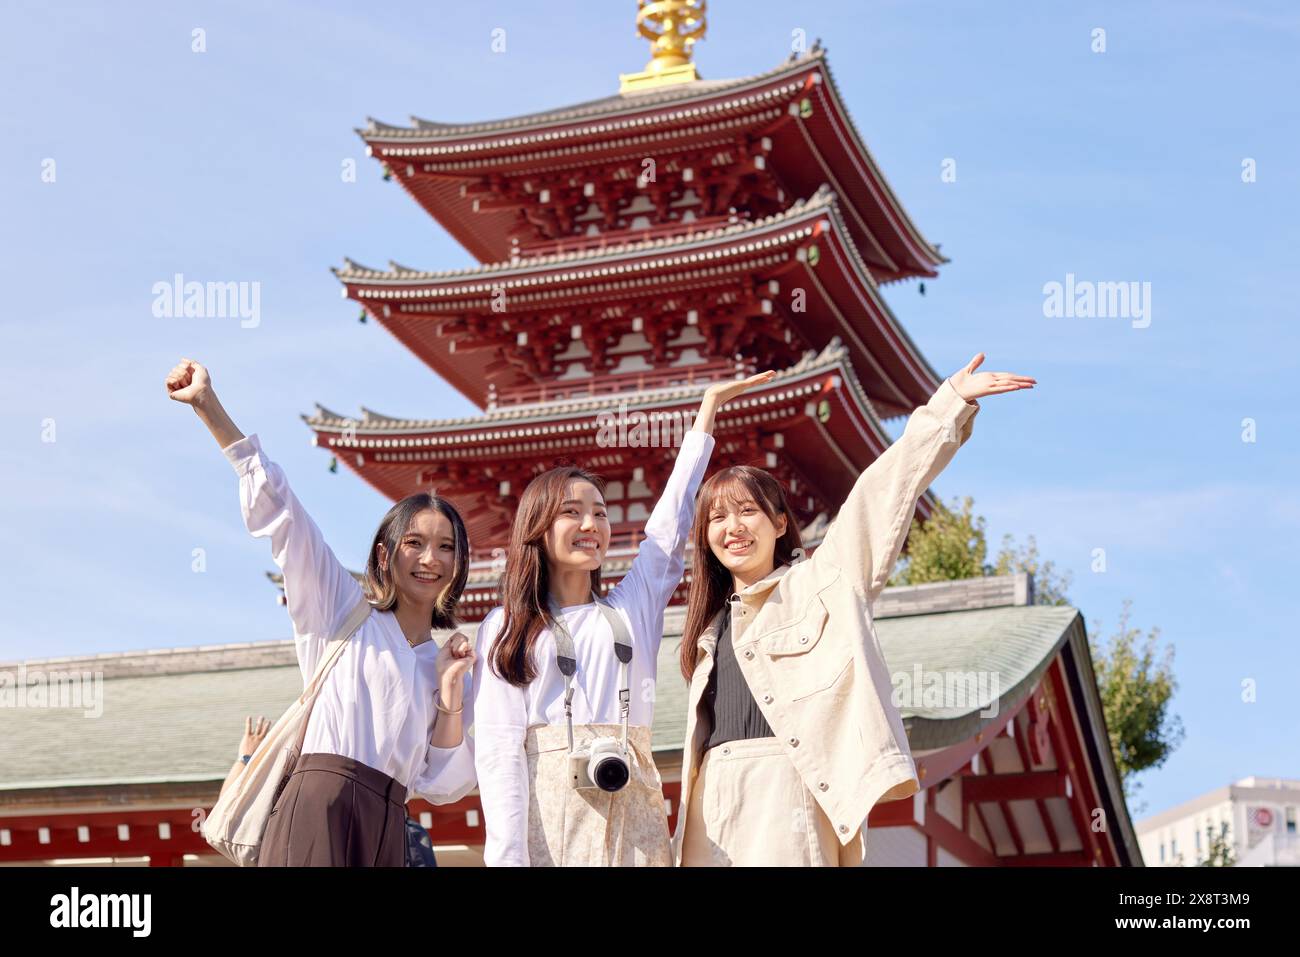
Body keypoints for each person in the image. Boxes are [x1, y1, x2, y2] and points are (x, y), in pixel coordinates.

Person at [674, 353, 1035, 866]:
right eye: (717, 518)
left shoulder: (825, 582)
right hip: (708, 812)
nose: (732, 527)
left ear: (779, 524)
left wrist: (948, 405)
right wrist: (706, 410)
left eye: (748, 511)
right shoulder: (708, 630)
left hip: (784, 796)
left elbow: (880, 494)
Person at [167, 358, 477, 866]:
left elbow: (443, 785)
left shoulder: (448, 666)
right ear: (385, 554)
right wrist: (208, 406)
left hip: (389, 824)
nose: (430, 559)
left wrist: (449, 696)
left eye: (446, 547)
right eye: (415, 542)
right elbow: (287, 519)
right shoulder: (341, 610)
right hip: (318, 805)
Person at [472, 371, 775, 866]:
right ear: (537, 527)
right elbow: (499, 751)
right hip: (548, 816)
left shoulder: (630, 608)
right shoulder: (506, 627)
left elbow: (669, 529)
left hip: (634, 806)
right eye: (572, 512)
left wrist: (705, 417)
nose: (591, 524)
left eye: (601, 512)